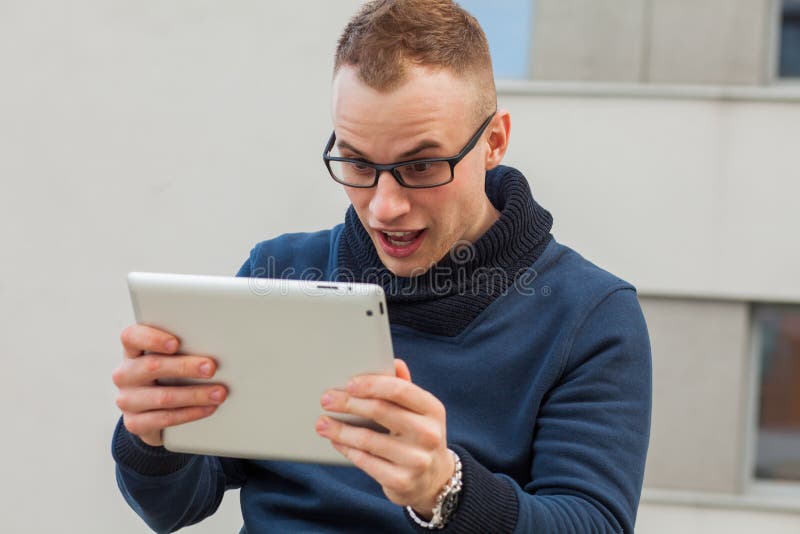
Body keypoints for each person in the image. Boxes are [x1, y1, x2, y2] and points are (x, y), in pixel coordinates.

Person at [111, 1, 652, 532]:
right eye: (357, 162)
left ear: (494, 142)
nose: (384, 207)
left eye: (421, 165)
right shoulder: (279, 272)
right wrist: (153, 437)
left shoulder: (589, 314)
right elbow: (173, 507)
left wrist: (445, 489)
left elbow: (593, 522)